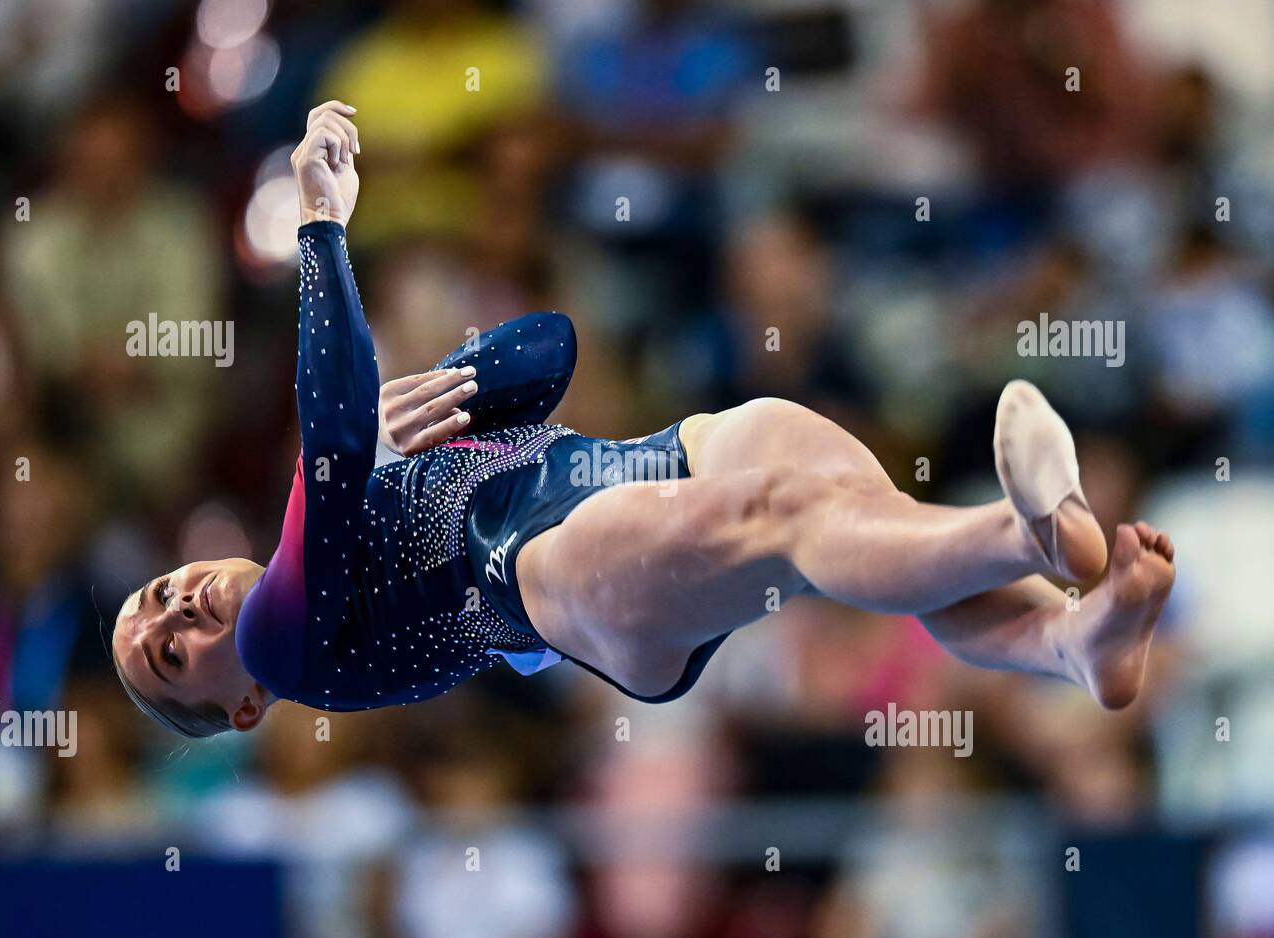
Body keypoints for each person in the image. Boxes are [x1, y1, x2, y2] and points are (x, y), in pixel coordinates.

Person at [112, 102, 1176, 738]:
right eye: (166, 655)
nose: (174, 613)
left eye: (153, 599)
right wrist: (320, 223)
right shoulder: (283, 644)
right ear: (242, 705)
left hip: (644, 460)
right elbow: (335, 439)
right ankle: (1017, 524)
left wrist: (437, 392)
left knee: (820, 476)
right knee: (793, 516)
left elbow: (549, 346)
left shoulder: (349, 502)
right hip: (559, 575)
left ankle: (1066, 638)